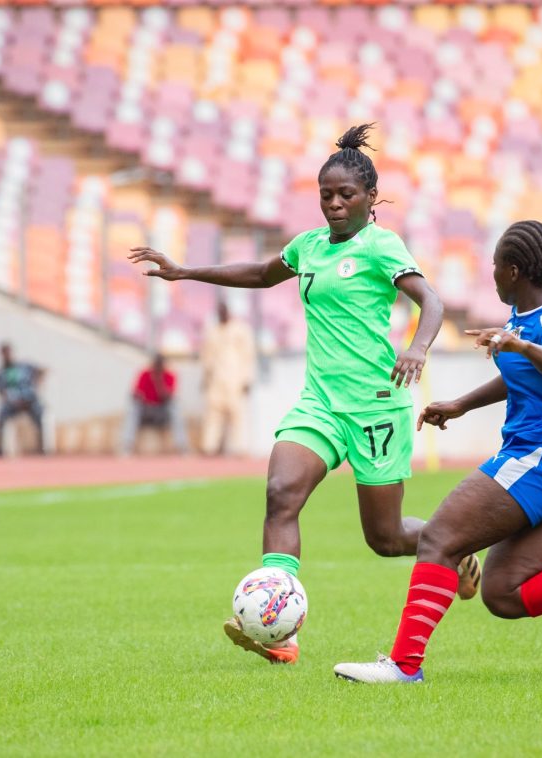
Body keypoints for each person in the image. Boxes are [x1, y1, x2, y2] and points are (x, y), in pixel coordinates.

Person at [128, 124, 478, 666]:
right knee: (281, 493)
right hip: (319, 404)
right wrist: (187, 271)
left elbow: (430, 300)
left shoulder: (381, 246)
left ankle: (452, 548)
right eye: (326, 195)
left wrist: (417, 347)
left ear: (370, 198)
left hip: (375, 407)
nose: (334, 205)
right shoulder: (308, 246)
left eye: (346, 195)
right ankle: (279, 633)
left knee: (385, 539)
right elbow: (260, 273)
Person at [333, 220, 542, 684]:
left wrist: (519, 344)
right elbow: (523, 377)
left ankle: (404, 666)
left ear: (512, 271)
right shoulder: (524, 317)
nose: (490, 275)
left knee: (438, 539)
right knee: (503, 592)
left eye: (494, 266)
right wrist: (461, 405)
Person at [200, 301, 256, 456]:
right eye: (219, 312)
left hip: (235, 379)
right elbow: (207, 357)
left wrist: (247, 378)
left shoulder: (241, 329)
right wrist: (205, 378)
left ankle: (240, 448)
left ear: (228, 312)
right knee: (213, 415)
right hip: (216, 380)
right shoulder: (212, 331)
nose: (222, 314)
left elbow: (248, 355)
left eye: (223, 311)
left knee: (237, 415)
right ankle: (209, 447)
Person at [120, 353, 190, 455]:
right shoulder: (145, 374)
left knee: (175, 407)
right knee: (133, 408)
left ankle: (182, 447)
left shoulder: (170, 376)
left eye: (159, 366)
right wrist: (138, 396)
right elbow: (135, 394)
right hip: (146, 411)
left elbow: (168, 398)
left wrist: (158, 381)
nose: (157, 368)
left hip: (162, 412)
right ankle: (126, 445)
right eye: (156, 365)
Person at [0, 342, 46, 456]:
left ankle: (43, 448)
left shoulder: (25, 366)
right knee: (1, 415)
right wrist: (13, 401)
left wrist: (37, 386)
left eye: (9, 352)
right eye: (4, 353)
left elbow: (42, 371)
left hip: (30, 401)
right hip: (13, 404)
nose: (7, 355)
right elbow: (2, 393)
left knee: (40, 414)